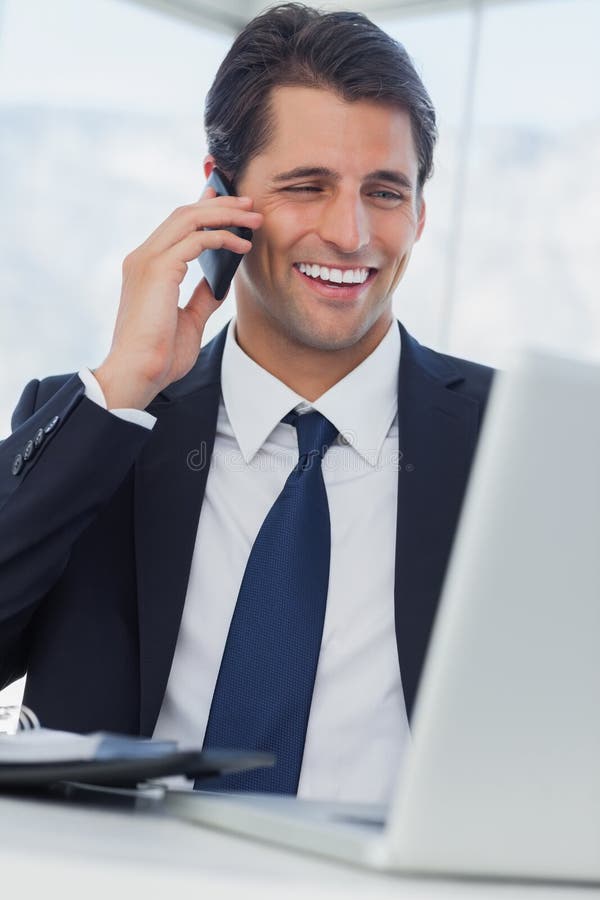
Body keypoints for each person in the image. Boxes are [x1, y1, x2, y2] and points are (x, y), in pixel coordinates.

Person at [0, 3, 493, 803]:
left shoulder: (519, 446)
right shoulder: (101, 430)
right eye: (307, 187)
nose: (351, 232)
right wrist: (124, 385)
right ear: (220, 194)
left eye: (384, 191)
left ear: (421, 213)